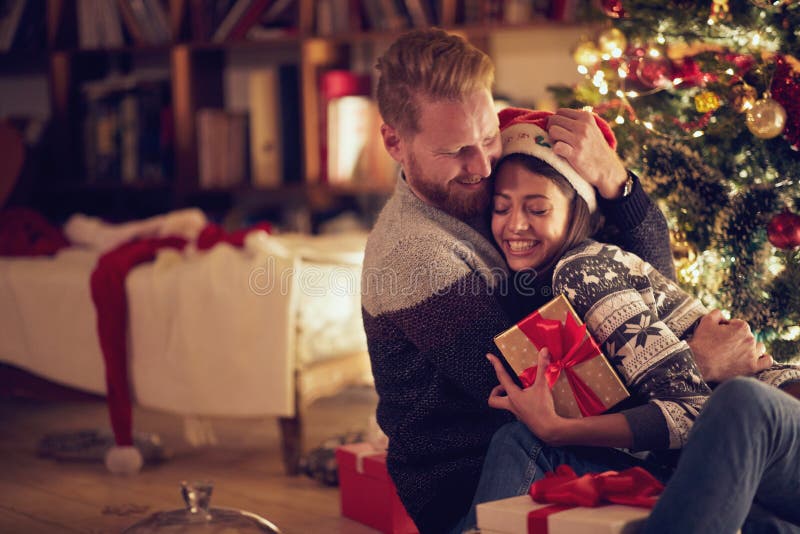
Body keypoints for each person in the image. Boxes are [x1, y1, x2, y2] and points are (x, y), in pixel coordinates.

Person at [361, 27, 772, 534]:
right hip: (483, 486)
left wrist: (616, 182)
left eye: (488, 136)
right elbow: (559, 398)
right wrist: (695, 366)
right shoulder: (414, 255)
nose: (482, 164)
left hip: (559, 447)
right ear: (394, 141)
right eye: (455, 151)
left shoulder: (485, 195)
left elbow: (640, 282)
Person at [477, 106, 800, 533]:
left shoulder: (582, 270)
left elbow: (689, 412)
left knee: (740, 400)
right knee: (517, 441)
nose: (515, 225)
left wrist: (559, 429)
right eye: (501, 208)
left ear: (576, 213)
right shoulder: (538, 288)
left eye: (537, 209)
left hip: (773, 433)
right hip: (726, 471)